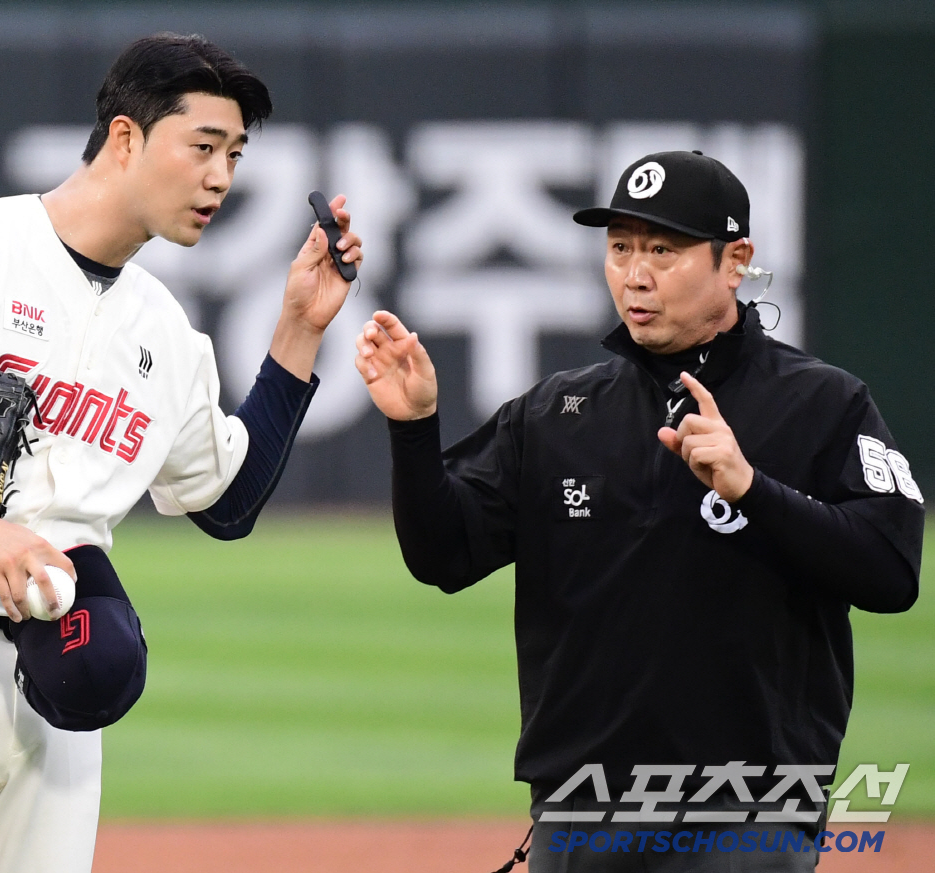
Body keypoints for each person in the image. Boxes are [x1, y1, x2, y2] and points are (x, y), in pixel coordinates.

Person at [0, 33, 362, 873]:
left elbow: (226, 503)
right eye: (202, 147)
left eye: (234, 153)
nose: (222, 178)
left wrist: (299, 327)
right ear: (126, 137)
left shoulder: (165, 332)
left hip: (63, 682)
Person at [354, 150, 923, 871]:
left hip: (745, 814)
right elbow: (444, 556)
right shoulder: (559, 411)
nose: (636, 272)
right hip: (581, 812)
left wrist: (753, 488)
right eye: (619, 247)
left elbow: (891, 570)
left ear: (734, 260)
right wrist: (414, 429)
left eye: (664, 248)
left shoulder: (823, 403)